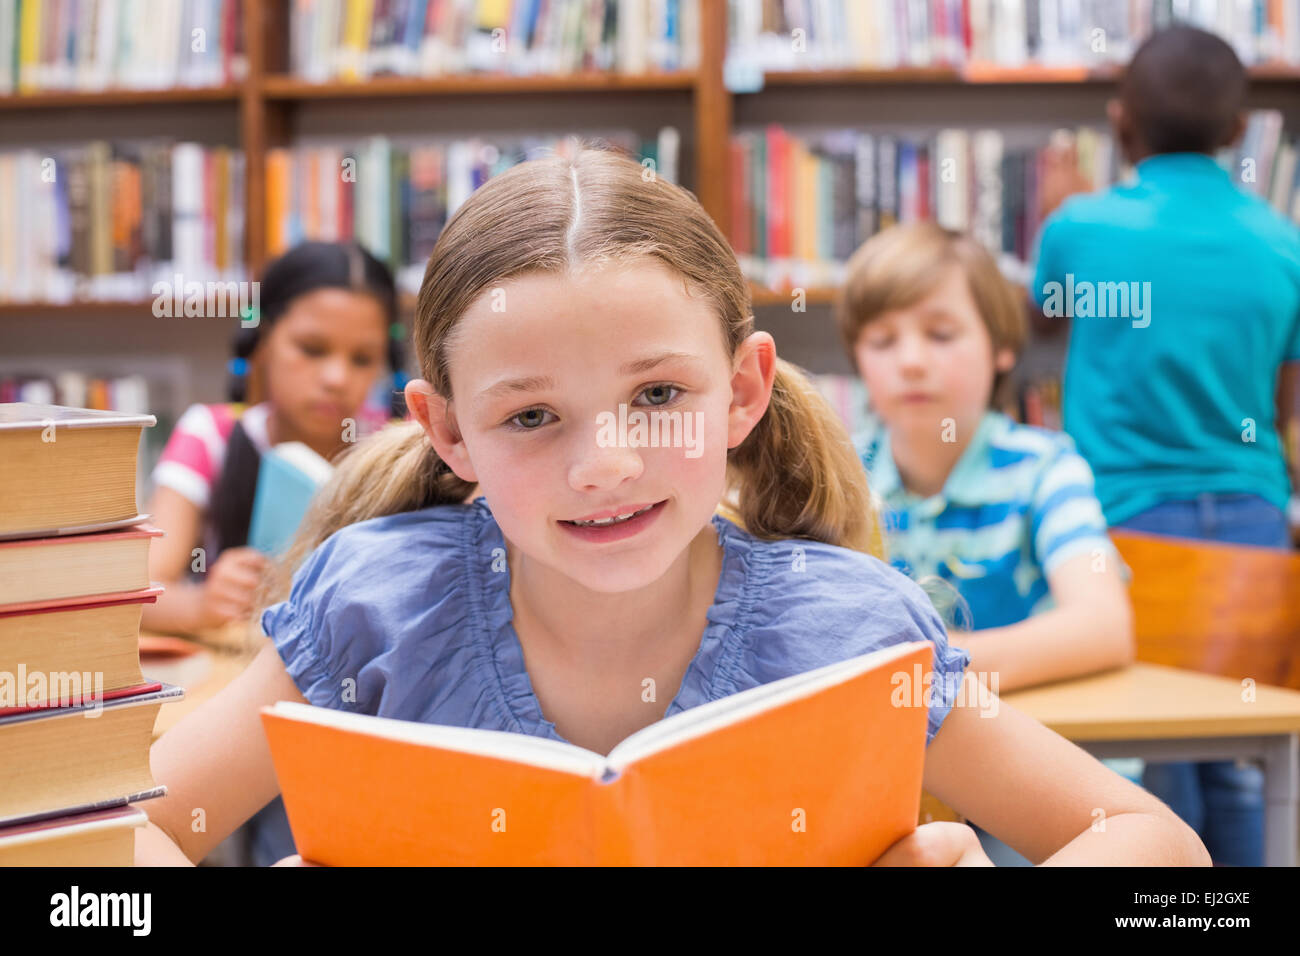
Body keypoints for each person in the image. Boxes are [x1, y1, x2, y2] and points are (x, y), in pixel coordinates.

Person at [135, 146, 1207, 867]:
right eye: (530, 416)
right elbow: (107, 853)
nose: (605, 464)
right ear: (447, 428)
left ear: (740, 389)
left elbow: (1160, 847)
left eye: (657, 395)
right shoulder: (373, 607)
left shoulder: (852, 633)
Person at [1032, 26, 1300, 866]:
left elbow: (1041, 316)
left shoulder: (1081, 226)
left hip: (1127, 526)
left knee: (1156, 761)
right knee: (1244, 761)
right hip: (1256, 525)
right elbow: (1285, 402)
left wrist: (1053, 211)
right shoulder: (1282, 243)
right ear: (1237, 131)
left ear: (1120, 125)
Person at [838, 221, 1135, 864]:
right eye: (882, 340)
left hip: (1033, 785)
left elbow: (1105, 625)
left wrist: (933, 677)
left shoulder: (1047, 466)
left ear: (1003, 347)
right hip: (891, 785)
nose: (911, 360)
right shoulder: (837, 475)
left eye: (940, 334)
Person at [142, 240, 401, 864]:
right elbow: (142, 591)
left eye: (362, 358)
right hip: (230, 695)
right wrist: (205, 600)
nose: (336, 377)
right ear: (258, 343)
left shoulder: (393, 452)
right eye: (311, 350)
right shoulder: (211, 434)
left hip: (341, 706)